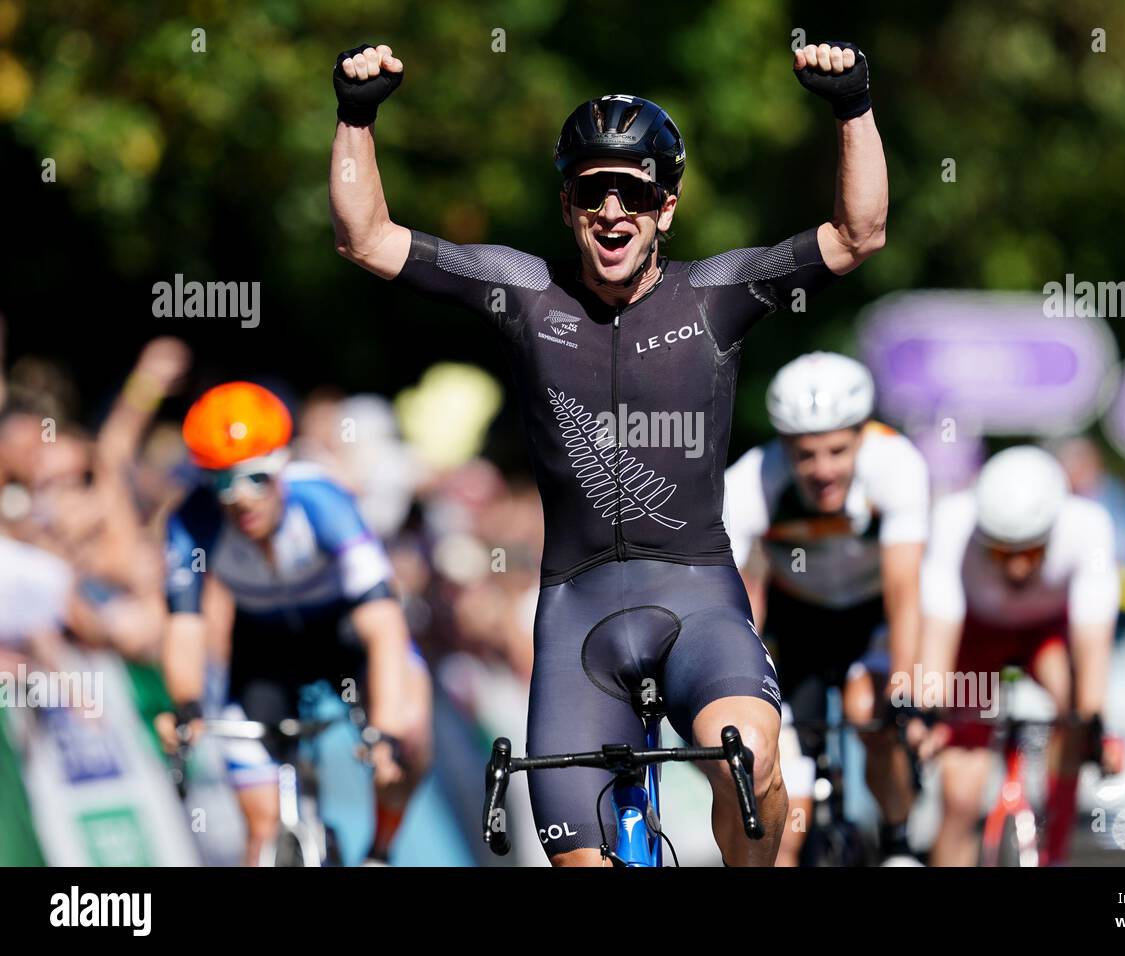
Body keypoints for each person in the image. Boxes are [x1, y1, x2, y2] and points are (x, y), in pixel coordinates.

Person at [330, 40, 888, 865]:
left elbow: (858, 233)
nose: (613, 210)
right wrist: (355, 114)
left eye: (635, 191)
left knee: (749, 758)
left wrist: (853, 107)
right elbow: (367, 239)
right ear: (568, 206)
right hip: (575, 617)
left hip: (696, 594)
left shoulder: (715, 297)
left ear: (667, 206)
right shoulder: (525, 293)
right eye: (594, 191)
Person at [155, 382, 433, 866]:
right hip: (264, 650)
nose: (241, 498)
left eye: (256, 477)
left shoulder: (323, 503)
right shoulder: (191, 521)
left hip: (346, 638)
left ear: (283, 464)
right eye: (223, 482)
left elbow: (384, 627)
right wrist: (185, 704)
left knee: (406, 739)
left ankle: (380, 852)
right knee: (262, 829)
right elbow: (185, 624)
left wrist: (386, 729)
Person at [724, 352, 928, 865]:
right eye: (805, 455)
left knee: (874, 715)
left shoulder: (897, 463)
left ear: (864, 435)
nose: (823, 470)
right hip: (799, 622)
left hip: (872, 611)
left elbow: (906, 588)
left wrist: (906, 689)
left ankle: (898, 840)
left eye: (838, 451)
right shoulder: (752, 481)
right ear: (783, 447)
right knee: (787, 816)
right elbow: (738, 598)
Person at [916, 445, 1122, 866]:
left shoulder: (1089, 526)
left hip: (1044, 635)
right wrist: (928, 712)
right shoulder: (953, 522)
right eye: (999, 552)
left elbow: (1092, 641)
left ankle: (1055, 847)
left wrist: (1096, 723)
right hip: (976, 635)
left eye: (1029, 552)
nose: (1015, 570)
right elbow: (937, 636)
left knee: (1075, 709)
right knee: (960, 792)